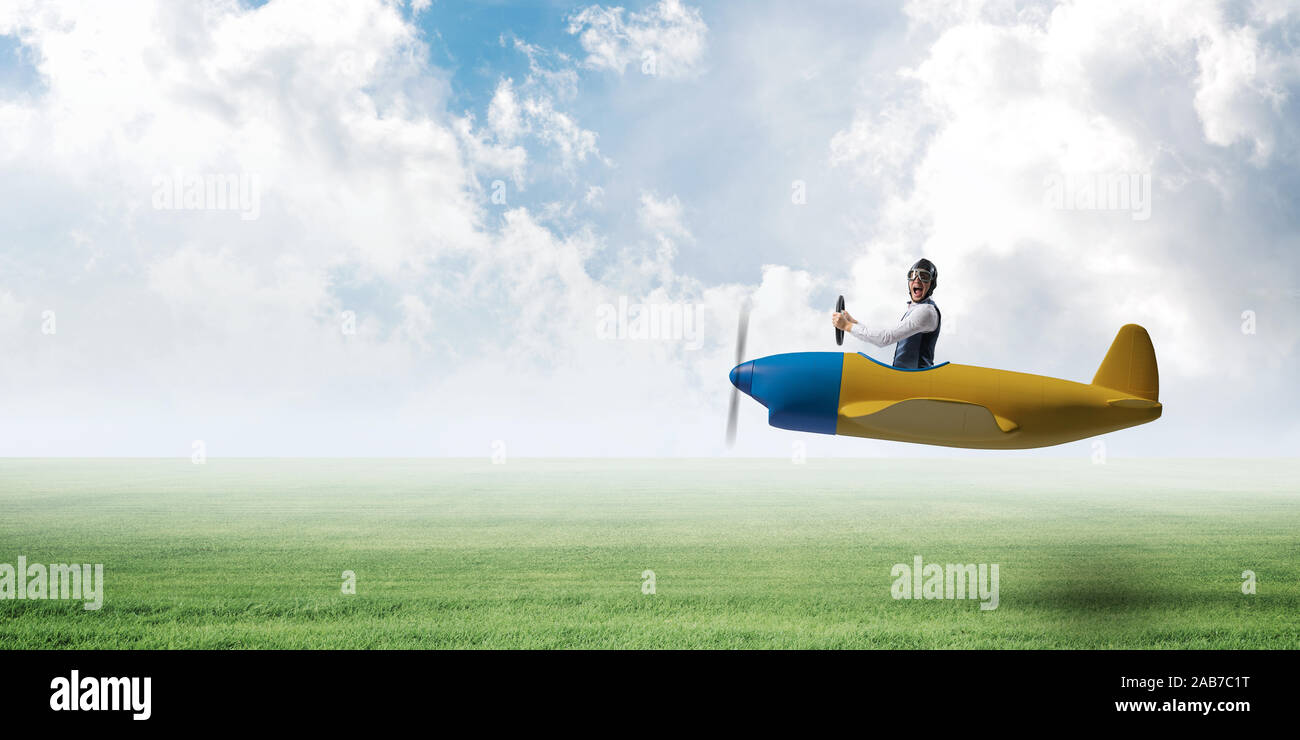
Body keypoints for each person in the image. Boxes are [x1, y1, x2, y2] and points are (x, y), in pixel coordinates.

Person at [832, 258, 942, 369]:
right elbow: (881, 334)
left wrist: (846, 326)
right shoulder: (916, 309)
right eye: (912, 275)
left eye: (924, 277)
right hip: (904, 378)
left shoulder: (926, 312)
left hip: (916, 381)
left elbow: (885, 338)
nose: (917, 280)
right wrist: (853, 323)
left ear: (931, 284)